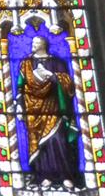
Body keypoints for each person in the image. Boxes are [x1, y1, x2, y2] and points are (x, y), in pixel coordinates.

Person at [15, 35, 82, 185]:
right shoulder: (26, 63)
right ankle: (43, 177)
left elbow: (68, 84)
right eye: (33, 42)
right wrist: (19, 104)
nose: (33, 45)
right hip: (33, 110)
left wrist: (52, 77)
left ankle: (65, 176)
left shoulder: (57, 63)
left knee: (59, 140)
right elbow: (20, 86)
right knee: (39, 145)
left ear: (43, 45)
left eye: (36, 43)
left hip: (54, 107)